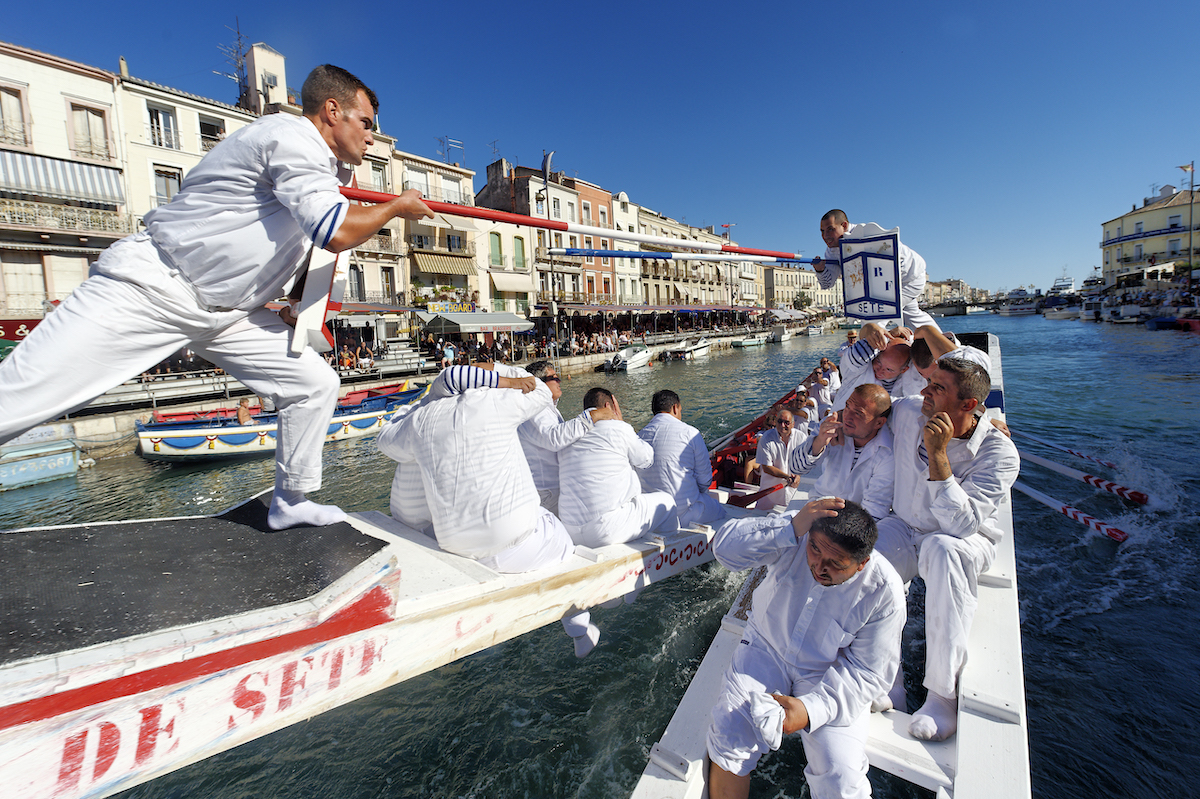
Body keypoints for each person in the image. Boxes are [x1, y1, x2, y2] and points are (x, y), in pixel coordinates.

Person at [0, 64, 434, 531]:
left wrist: (291, 304)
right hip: (155, 285)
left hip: (227, 314)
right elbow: (335, 233)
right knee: (21, 396)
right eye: (366, 123)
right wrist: (396, 206)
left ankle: (290, 501)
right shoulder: (293, 139)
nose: (371, 138)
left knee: (313, 384)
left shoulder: (320, 172)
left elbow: (287, 245)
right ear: (333, 111)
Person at [376, 364, 602, 657]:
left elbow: (385, 440)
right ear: (482, 382)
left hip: (458, 549)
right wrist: (504, 375)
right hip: (517, 541)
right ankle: (580, 629)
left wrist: (424, 401)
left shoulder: (420, 420)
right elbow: (543, 391)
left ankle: (491, 646)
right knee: (563, 543)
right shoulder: (493, 401)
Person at [706, 498, 905, 799]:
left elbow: (868, 672)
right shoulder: (798, 535)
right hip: (766, 646)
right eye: (815, 550)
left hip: (829, 672)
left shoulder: (884, 592)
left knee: (841, 778)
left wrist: (812, 710)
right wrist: (788, 527)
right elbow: (724, 549)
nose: (819, 567)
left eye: (836, 564)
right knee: (730, 729)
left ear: (862, 563)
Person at [874, 358, 1019, 741]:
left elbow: (962, 525)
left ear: (969, 405)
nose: (924, 391)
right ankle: (887, 680)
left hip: (965, 541)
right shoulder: (908, 412)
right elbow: (863, 407)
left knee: (941, 549)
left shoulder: (999, 454)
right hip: (906, 524)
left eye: (937, 388)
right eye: (929, 382)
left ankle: (941, 695)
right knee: (870, 555)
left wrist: (938, 455)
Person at [558, 387, 676, 548]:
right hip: (606, 529)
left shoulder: (568, 433)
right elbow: (646, 459)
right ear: (609, 406)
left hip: (570, 531)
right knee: (667, 502)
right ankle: (671, 558)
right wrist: (621, 423)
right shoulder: (618, 428)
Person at [810, 209, 937, 330]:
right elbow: (827, 284)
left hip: (910, 277)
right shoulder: (831, 252)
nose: (825, 236)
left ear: (844, 225)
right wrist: (820, 270)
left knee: (876, 317)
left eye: (830, 229)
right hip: (888, 286)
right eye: (822, 231)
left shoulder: (867, 233)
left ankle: (872, 351)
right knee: (913, 316)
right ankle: (948, 342)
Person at [789, 384, 895, 521]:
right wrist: (819, 441)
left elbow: (874, 511)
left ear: (879, 422)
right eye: (847, 407)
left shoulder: (886, 453)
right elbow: (795, 467)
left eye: (858, 413)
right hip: (817, 508)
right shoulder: (833, 426)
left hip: (854, 520)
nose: (847, 417)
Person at [636, 389, 726, 531]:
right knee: (721, 511)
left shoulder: (639, 436)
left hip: (650, 516)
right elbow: (705, 480)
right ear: (675, 408)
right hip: (684, 513)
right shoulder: (690, 433)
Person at [832, 322, 926, 410]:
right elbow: (860, 350)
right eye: (879, 362)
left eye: (889, 369)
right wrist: (882, 333)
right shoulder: (858, 370)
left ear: (904, 370)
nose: (879, 371)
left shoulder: (911, 381)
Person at [753, 408, 805, 512]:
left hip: (792, 494)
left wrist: (798, 476)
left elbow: (805, 462)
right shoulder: (766, 439)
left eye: (786, 422)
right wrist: (787, 477)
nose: (782, 425)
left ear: (793, 424)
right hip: (769, 494)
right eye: (780, 422)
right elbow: (767, 468)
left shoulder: (801, 438)